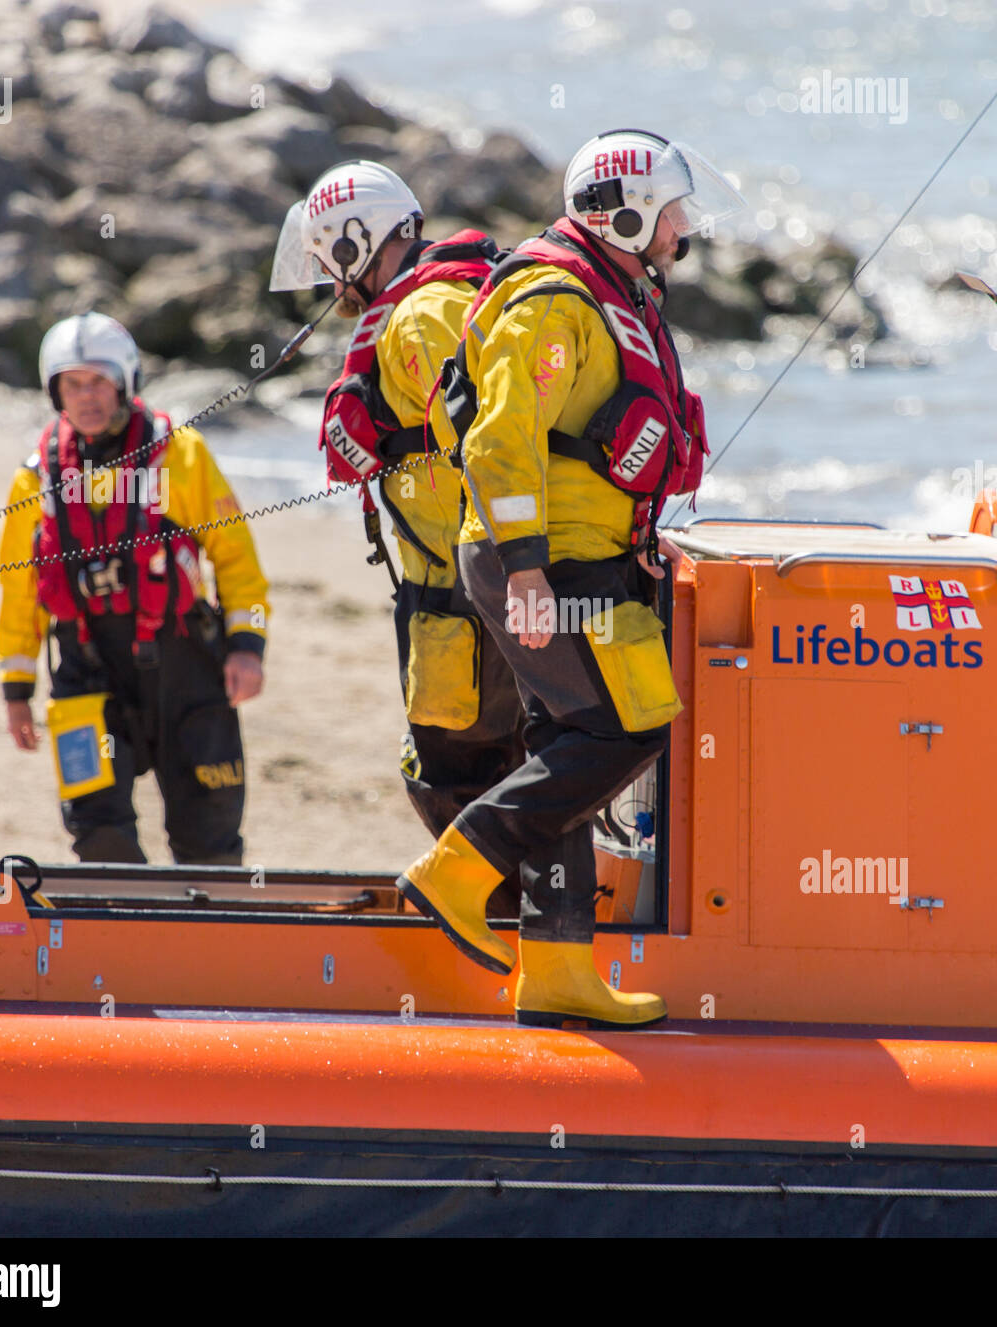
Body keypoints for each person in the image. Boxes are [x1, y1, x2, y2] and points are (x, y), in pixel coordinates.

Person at [397, 129, 744, 1028]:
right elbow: (500, 441)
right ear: (621, 214)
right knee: (620, 732)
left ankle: (554, 967)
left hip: (588, 555)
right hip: (542, 562)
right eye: (671, 213)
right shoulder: (553, 303)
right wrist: (526, 571)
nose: (682, 231)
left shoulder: (607, 293)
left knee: (570, 745)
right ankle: (460, 868)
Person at [269, 161, 524, 911]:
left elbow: (494, 441)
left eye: (328, 262)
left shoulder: (419, 316)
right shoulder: (439, 299)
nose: (329, 284)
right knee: (475, 763)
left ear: (354, 242)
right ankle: (504, 918)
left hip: (464, 588)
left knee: (452, 769)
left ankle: (493, 923)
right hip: (468, 580)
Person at [0, 312, 269, 864]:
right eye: (72, 384)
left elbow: (235, 558)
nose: (87, 396)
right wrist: (16, 690)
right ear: (56, 392)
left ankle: (210, 941)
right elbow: (19, 592)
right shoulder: (35, 478)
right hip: (85, 666)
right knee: (98, 832)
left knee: (210, 833)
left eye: (98, 381)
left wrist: (248, 646)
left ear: (124, 381)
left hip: (184, 661)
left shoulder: (182, 455)